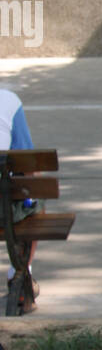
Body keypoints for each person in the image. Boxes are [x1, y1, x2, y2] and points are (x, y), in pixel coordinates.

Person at [0, 87, 39, 313]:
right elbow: (27, 161)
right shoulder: (8, 100)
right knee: (34, 198)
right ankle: (21, 271)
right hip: (3, 210)